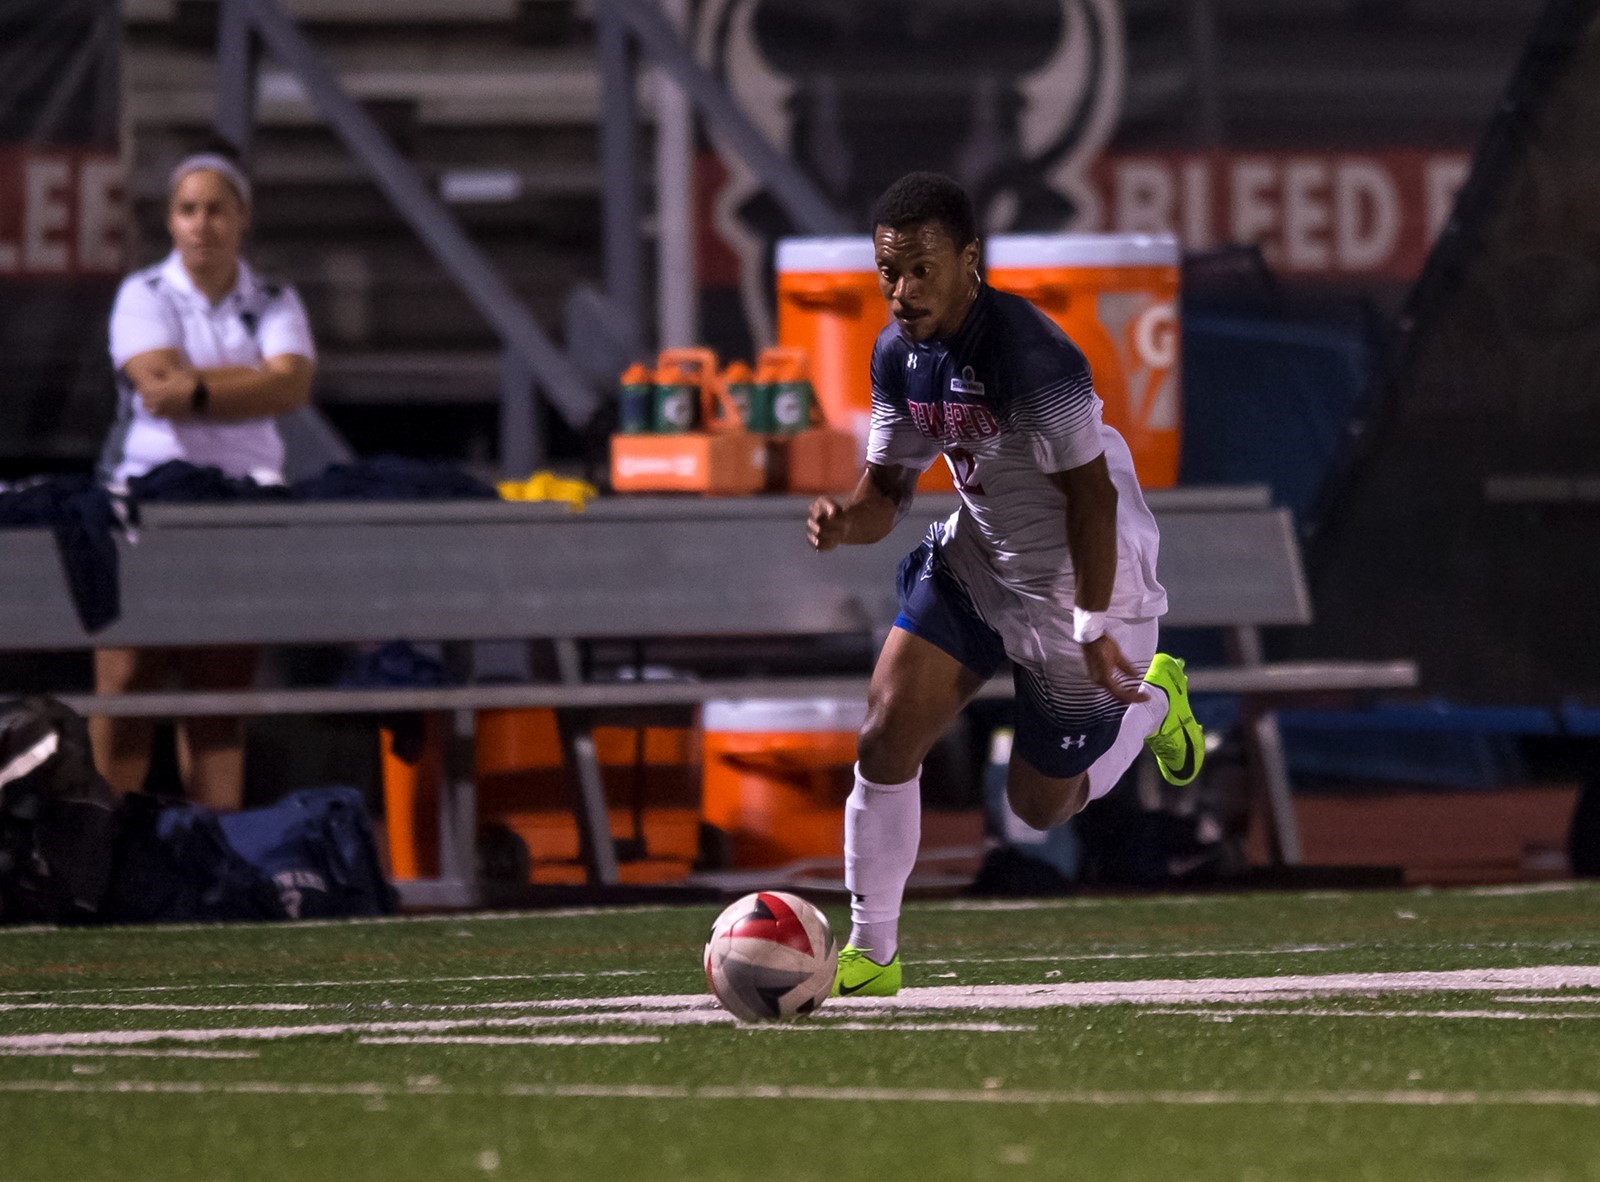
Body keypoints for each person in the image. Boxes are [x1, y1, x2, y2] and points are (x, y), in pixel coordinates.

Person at [806, 172, 1204, 997]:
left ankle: (1154, 702)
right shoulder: (898, 357)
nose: (903, 291)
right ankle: (873, 954)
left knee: (1039, 807)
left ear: (970, 262)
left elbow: (1091, 500)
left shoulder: (1030, 355)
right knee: (884, 736)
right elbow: (887, 494)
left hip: (1079, 581)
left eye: (922, 269)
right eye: (888, 273)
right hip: (980, 561)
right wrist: (846, 519)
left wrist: (1093, 625)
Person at [91, 150, 316, 810]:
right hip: (146, 504)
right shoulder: (143, 294)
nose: (201, 224)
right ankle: (99, 846)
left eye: (216, 209)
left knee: (220, 688)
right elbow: (157, 388)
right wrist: (252, 381)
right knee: (127, 682)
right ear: (171, 221)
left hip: (242, 506)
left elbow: (292, 386)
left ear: (243, 218)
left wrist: (195, 388)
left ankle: (214, 842)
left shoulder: (274, 299)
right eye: (188, 209)